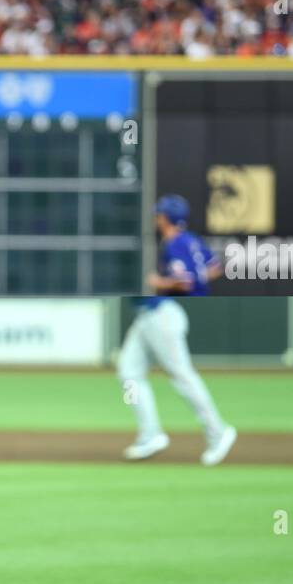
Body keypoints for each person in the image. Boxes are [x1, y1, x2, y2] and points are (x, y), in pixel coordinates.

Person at [117, 194, 237, 466]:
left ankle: (218, 431)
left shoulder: (174, 243)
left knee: (182, 376)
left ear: (165, 218)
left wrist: (157, 280)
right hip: (148, 316)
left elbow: (185, 282)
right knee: (129, 372)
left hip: (161, 316)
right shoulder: (191, 239)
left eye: (158, 214)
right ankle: (150, 434)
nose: (155, 218)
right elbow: (214, 268)